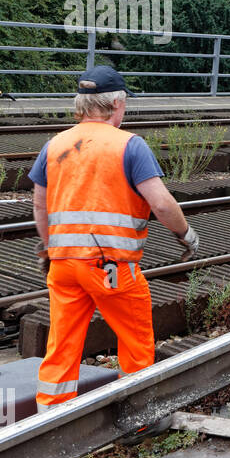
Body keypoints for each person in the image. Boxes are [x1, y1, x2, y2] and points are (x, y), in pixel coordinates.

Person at [29, 65, 199, 413]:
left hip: (63, 266)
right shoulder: (130, 147)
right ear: (117, 105)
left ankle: (49, 418)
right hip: (112, 269)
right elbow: (162, 204)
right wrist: (186, 234)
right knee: (135, 339)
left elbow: (39, 204)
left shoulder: (54, 145)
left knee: (62, 343)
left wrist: (50, 247)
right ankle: (139, 417)